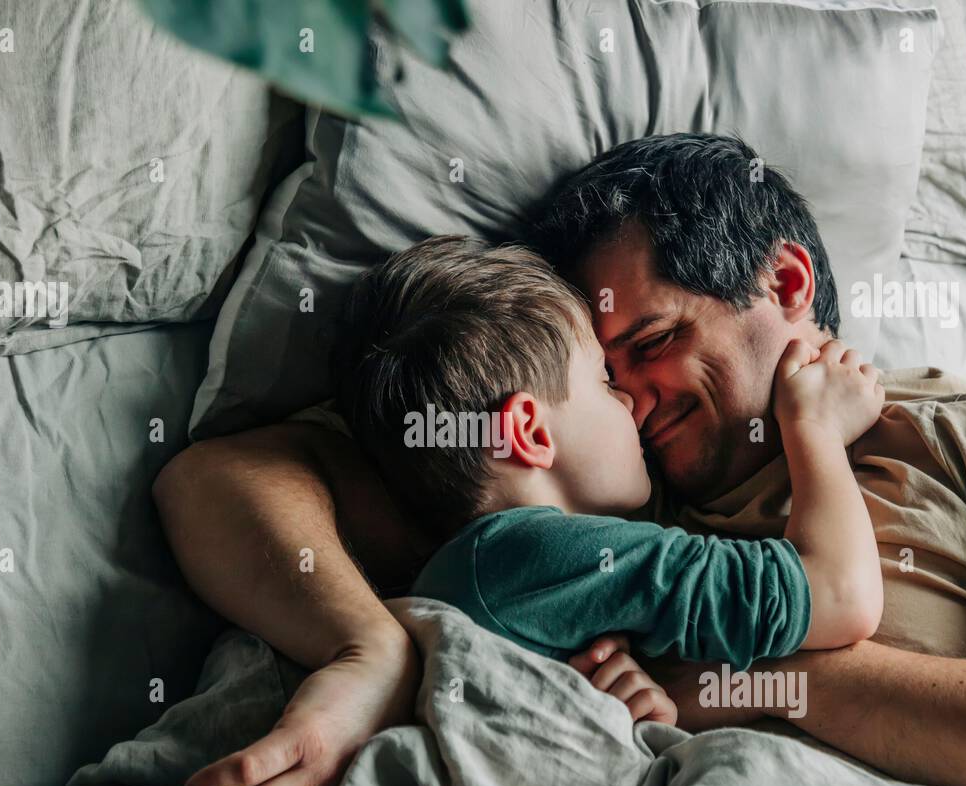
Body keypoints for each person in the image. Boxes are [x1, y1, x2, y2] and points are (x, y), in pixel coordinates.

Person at [155, 134, 966, 786]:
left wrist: (738, 689)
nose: (631, 401)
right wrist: (367, 649)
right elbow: (215, 477)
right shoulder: (579, 494)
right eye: (603, 374)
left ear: (784, 283)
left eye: (650, 345)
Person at [338, 236, 883, 675]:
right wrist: (814, 426)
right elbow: (839, 594)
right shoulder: (542, 553)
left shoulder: (481, 568)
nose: (633, 403)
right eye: (605, 380)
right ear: (528, 431)